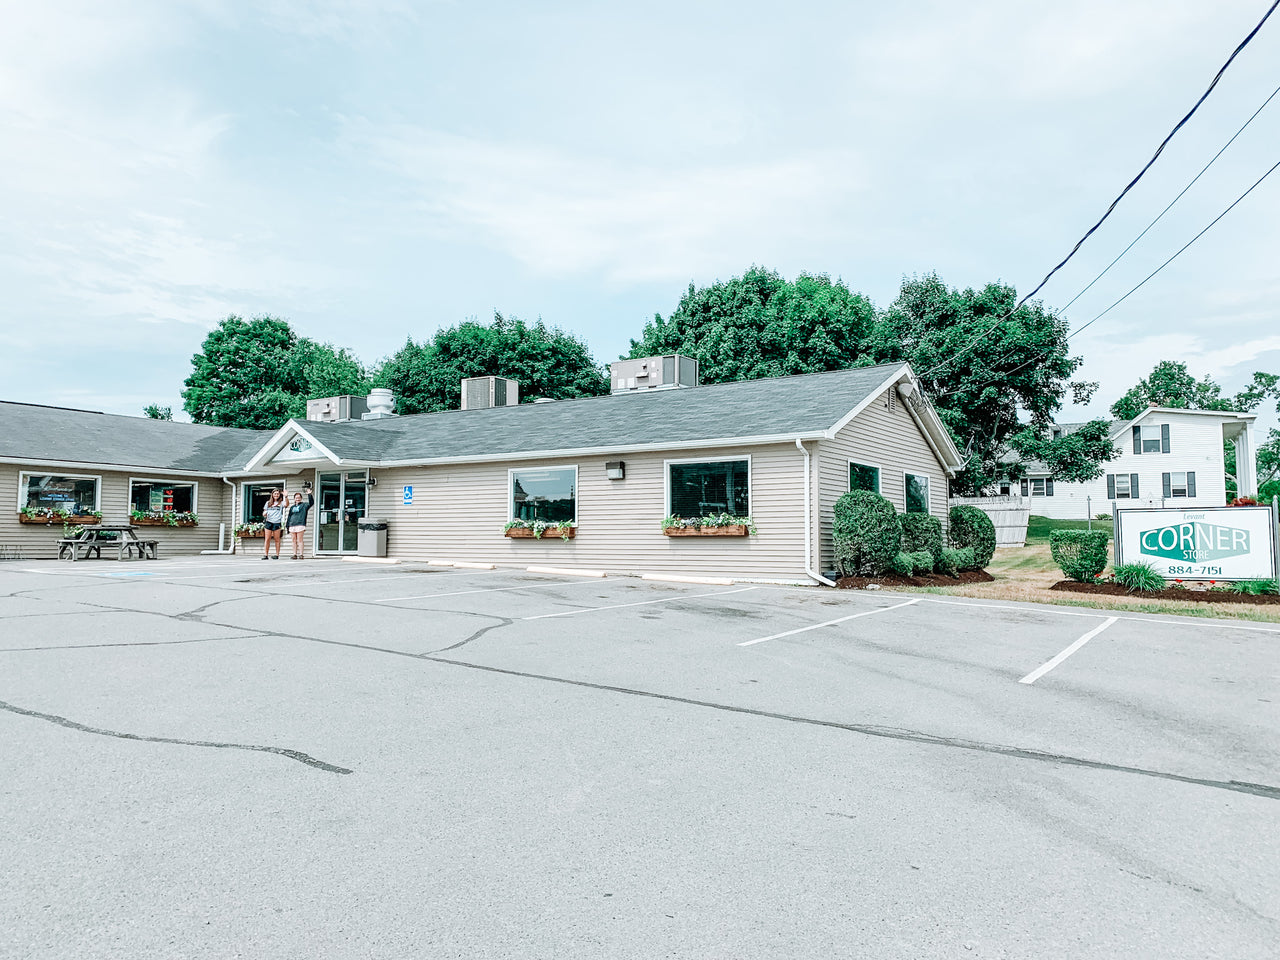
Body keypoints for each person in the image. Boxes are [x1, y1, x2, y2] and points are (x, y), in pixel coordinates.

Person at [285, 489, 314, 560]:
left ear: (301, 498)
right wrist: (287, 526)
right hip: (292, 524)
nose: (297, 499)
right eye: (296, 498)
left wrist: (309, 494)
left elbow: (311, 503)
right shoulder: (292, 507)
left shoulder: (304, 505)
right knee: (293, 540)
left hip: (300, 524)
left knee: (300, 540)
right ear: (294, 499)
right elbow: (289, 516)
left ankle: (301, 554)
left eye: (299, 497)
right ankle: (294, 554)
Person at [261, 488, 286, 559]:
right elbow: (264, 512)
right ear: (272, 494)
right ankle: (266, 554)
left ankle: (277, 555)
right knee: (267, 539)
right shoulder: (268, 503)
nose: (276, 495)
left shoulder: (281, 503)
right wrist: (264, 514)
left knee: (277, 539)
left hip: (277, 522)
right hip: (269, 522)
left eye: (278, 494)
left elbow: (286, 504)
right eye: (275, 493)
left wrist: (286, 497)